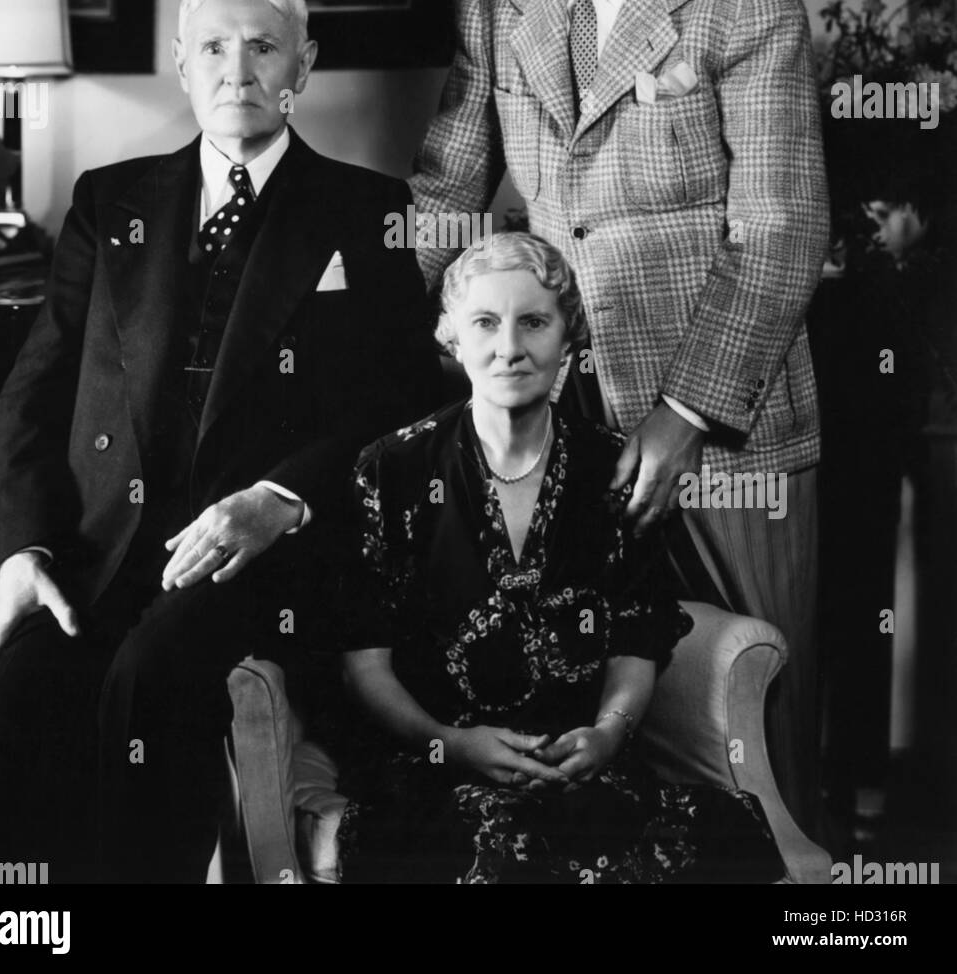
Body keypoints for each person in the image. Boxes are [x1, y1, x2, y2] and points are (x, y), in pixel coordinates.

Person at [0, 0, 442, 884]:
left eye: (262, 47)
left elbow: (401, 403)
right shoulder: (109, 200)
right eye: (213, 46)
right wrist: (20, 554)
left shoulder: (370, 211)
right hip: (100, 549)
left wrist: (283, 500)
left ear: (304, 66)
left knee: (149, 681)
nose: (236, 70)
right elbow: (34, 394)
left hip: (259, 557)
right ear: (181, 65)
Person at [409, 0, 829, 828]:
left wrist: (685, 415)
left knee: (757, 729)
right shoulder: (498, 2)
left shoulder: (744, 0)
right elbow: (445, 195)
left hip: (728, 430)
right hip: (557, 425)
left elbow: (782, 233)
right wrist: (476, 341)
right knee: (591, 730)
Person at [328, 234, 782, 884]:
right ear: (451, 337)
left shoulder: (615, 468)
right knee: (505, 848)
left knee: (729, 840)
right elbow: (363, 665)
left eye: (534, 322)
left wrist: (607, 734)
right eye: (485, 323)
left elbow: (635, 639)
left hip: (583, 772)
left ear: (568, 338)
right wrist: (449, 742)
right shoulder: (390, 472)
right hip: (432, 770)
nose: (509, 347)